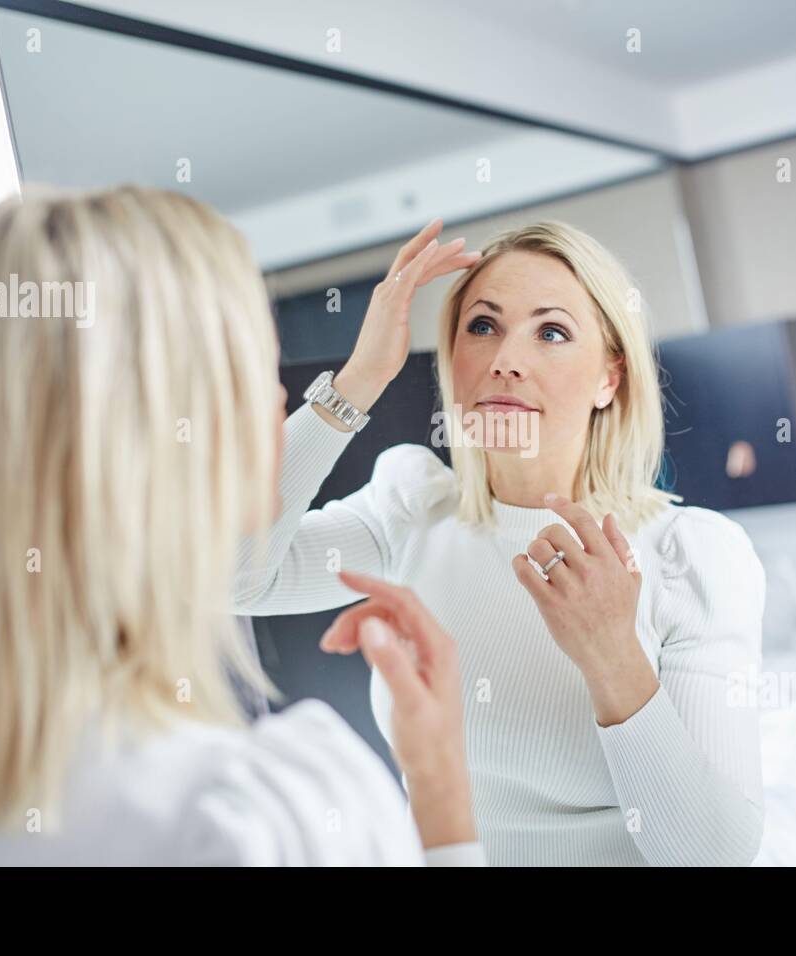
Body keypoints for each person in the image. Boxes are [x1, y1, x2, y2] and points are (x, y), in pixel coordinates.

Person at [0, 187, 483, 865]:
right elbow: (241, 570)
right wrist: (439, 791)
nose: (280, 398)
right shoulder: (253, 820)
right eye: (254, 370)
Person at [234, 219, 768, 866]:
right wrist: (361, 376)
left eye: (551, 332)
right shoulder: (409, 508)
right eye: (482, 327)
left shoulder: (694, 557)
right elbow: (234, 578)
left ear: (609, 377)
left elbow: (714, 858)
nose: (504, 360)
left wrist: (612, 658)